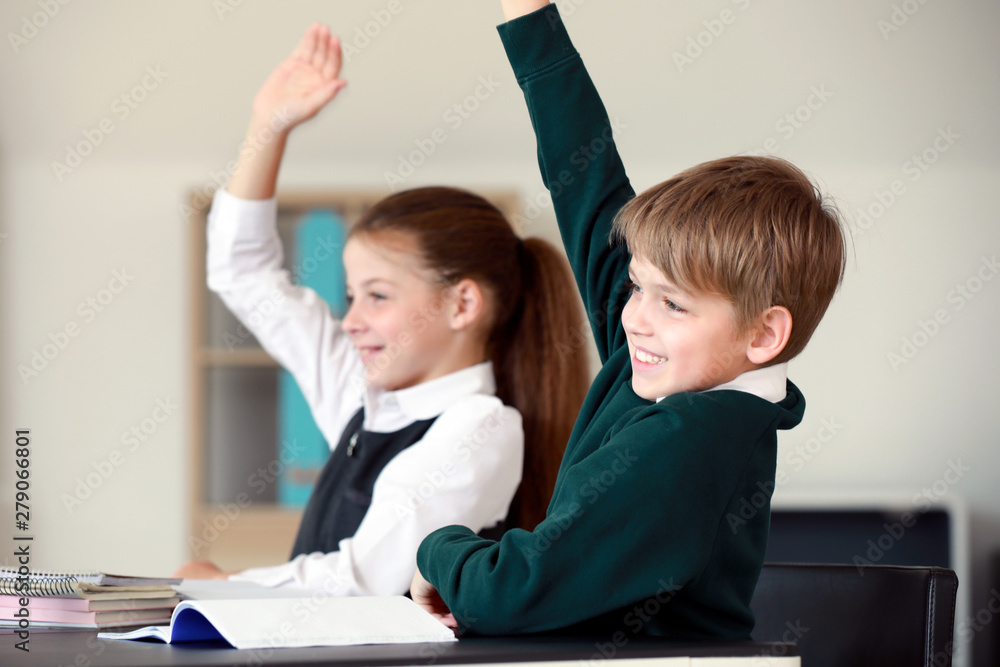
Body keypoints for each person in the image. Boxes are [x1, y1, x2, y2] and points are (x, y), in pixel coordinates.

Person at [410, 1, 847, 640]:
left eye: (670, 302)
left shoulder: (688, 437)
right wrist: (530, 17)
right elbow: (585, 176)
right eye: (637, 287)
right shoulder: (670, 362)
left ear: (763, 334)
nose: (634, 316)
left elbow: (510, 593)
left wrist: (438, 549)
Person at [173, 23, 589, 596]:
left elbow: (367, 578)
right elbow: (240, 271)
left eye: (378, 295)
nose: (350, 320)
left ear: (462, 303)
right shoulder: (361, 395)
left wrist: (224, 584)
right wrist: (267, 127)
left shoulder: (480, 429)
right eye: (350, 296)